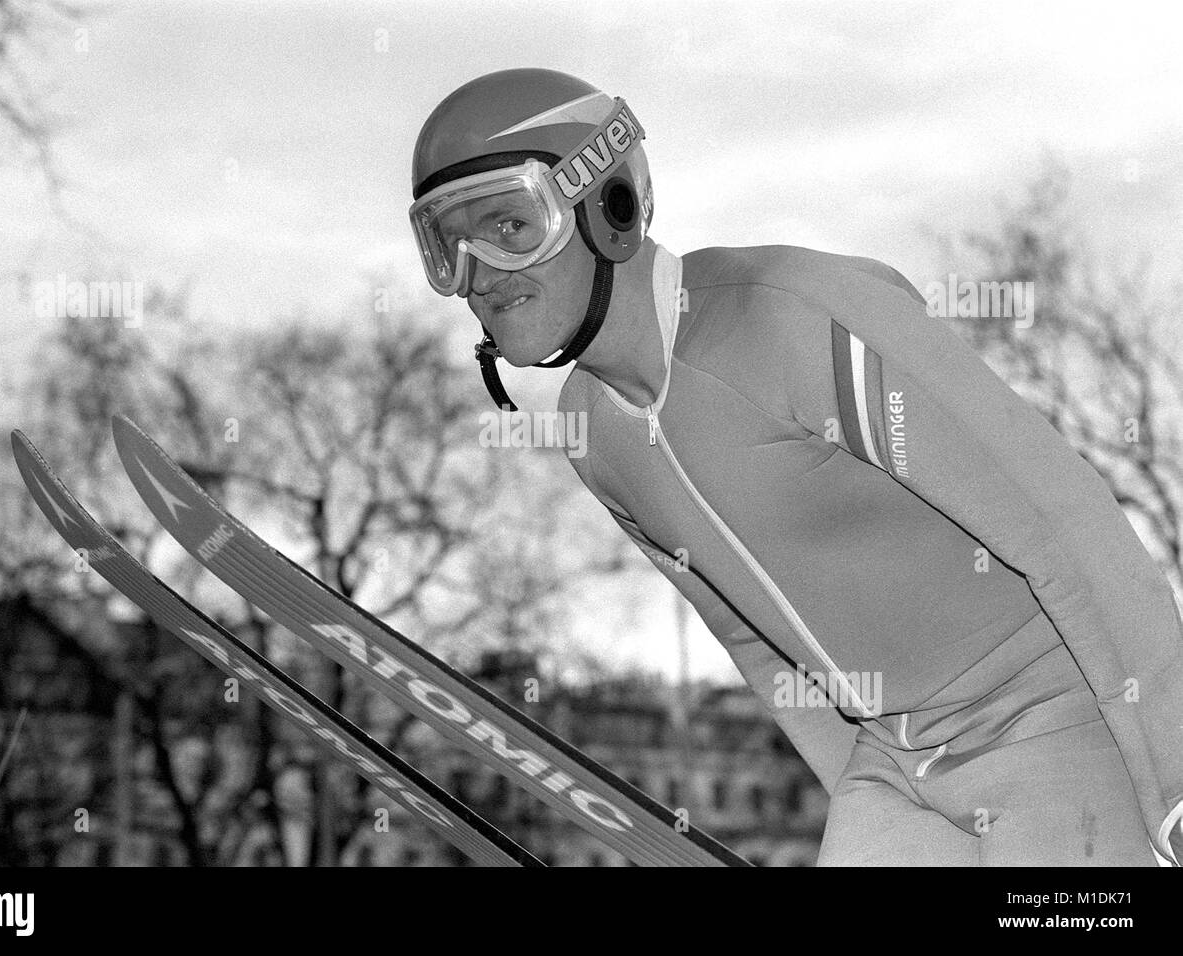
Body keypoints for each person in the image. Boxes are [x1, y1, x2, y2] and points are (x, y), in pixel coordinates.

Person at [407, 67, 1183, 865]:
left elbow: (1063, 519)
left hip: (1052, 726)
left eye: (510, 227)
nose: (479, 275)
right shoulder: (591, 431)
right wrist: (852, 787)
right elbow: (754, 642)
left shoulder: (792, 314)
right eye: (446, 246)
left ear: (610, 206)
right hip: (894, 768)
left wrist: (1176, 781)